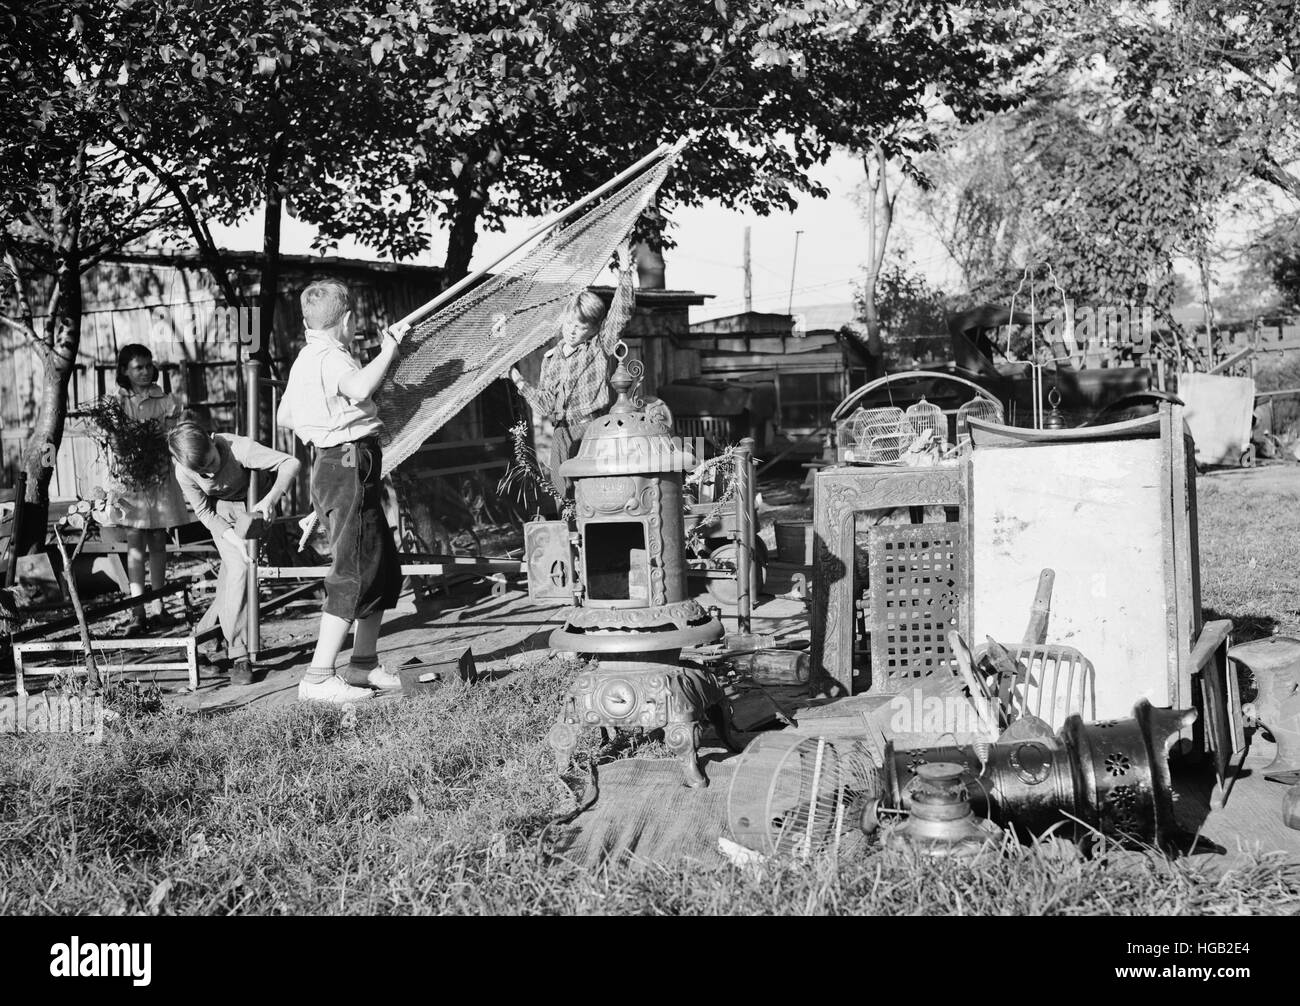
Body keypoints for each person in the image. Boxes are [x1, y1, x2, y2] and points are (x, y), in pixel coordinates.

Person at [277, 279, 408, 703]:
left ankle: (363, 664)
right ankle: (317, 678)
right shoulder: (330, 358)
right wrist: (388, 350)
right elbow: (360, 388)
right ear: (348, 320)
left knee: (380, 566)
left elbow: (285, 416)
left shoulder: (306, 359)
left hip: (343, 463)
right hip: (346, 462)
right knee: (351, 571)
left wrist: (326, 427)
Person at [168, 417, 300, 686]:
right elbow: (204, 511)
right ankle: (239, 654)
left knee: (232, 580)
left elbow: (291, 462)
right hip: (222, 516)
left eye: (211, 463)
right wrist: (232, 539)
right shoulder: (183, 470)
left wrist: (271, 499)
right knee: (240, 570)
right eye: (202, 472)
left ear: (212, 440)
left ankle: (200, 641)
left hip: (254, 508)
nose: (209, 473)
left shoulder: (239, 448)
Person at [107, 344, 189, 634]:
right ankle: (137, 610)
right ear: (124, 371)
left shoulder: (165, 400)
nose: (144, 371)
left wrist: (160, 437)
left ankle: (158, 606)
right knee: (135, 541)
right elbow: (115, 442)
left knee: (157, 538)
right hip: (131, 476)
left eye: (147, 366)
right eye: (137, 367)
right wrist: (130, 448)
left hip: (158, 475)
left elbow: (172, 435)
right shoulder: (117, 403)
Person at [509, 290, 616, 498]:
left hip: (591, 429)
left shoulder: (598, 348)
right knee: (561, 491)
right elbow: (544, 406)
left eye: (581, 327)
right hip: (561, 433)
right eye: (569, 323)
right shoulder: (550, 359)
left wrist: (625, 275)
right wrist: (516, 377)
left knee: (594, 489)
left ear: (594, 329)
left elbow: (620, 314)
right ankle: (568, 520)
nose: (572, 331)